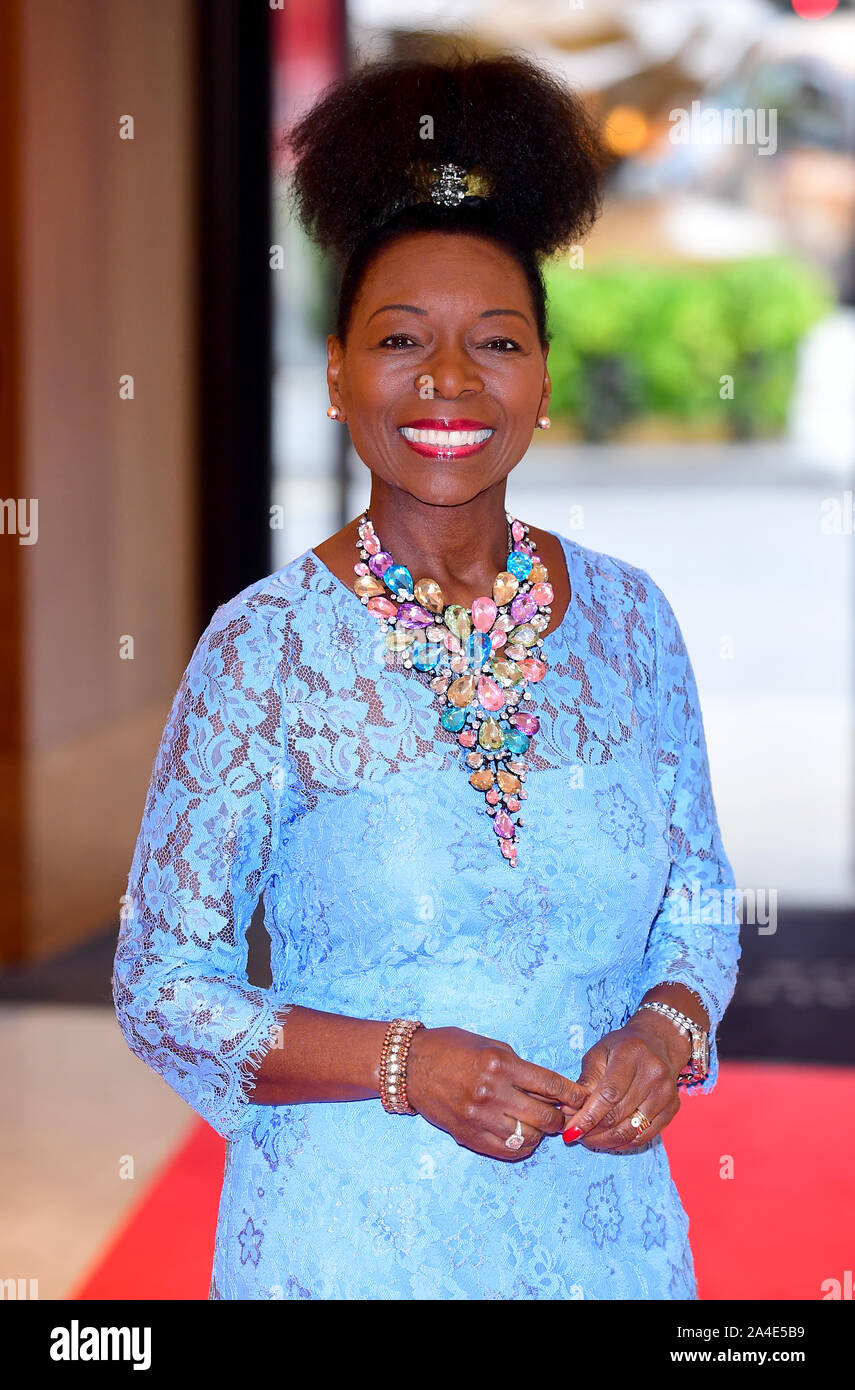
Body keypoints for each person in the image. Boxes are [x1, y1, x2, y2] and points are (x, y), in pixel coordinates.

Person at [112, 52, 741, 1300]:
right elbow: (162, 987)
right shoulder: (264, 648)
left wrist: (666, 1029)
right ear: (340, 374)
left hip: (604, 1241)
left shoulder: (630, 619)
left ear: (545, 380)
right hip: (350, 1245)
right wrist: (407, 1063)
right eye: (403, 341)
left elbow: (704, 900)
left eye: (495, 341)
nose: (449, 381)